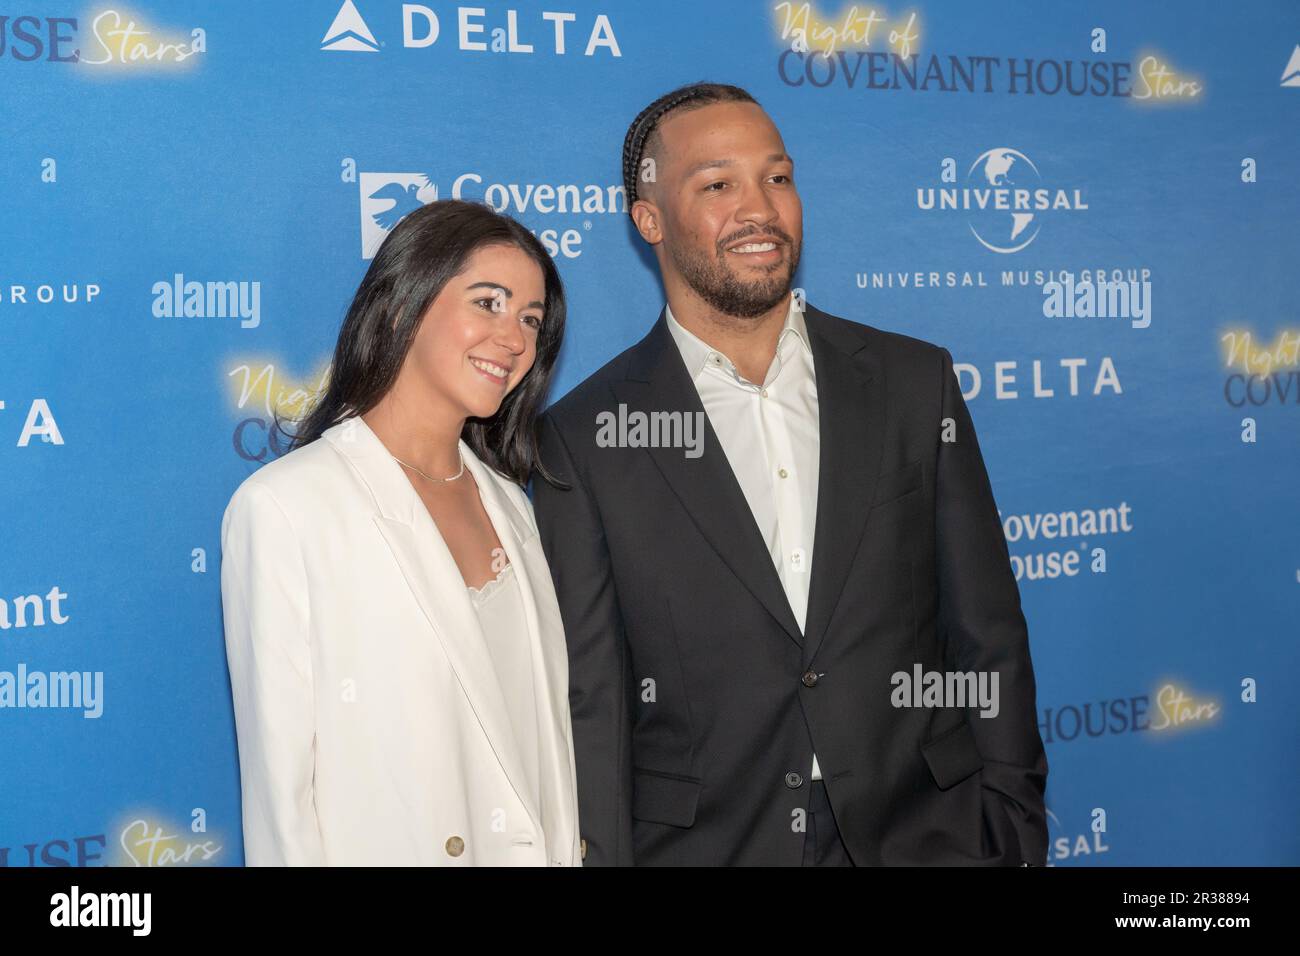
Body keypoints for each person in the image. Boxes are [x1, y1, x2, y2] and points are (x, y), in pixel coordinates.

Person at [531, 82, 1048, 866]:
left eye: (777, 178)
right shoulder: (584, 438)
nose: (760, 209)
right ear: (649, 220)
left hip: (927, 838)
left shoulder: (915, 383)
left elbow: (987, 633)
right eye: (716, 185)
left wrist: (1011, 825)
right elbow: (595, 707)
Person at [220, 198, 581, 865]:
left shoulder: (513, 507)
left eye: (532, 319)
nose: (515, 338)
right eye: (488, 302)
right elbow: (282, 802)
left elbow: (544, 754)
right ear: (399, 306)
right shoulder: (287, 509)